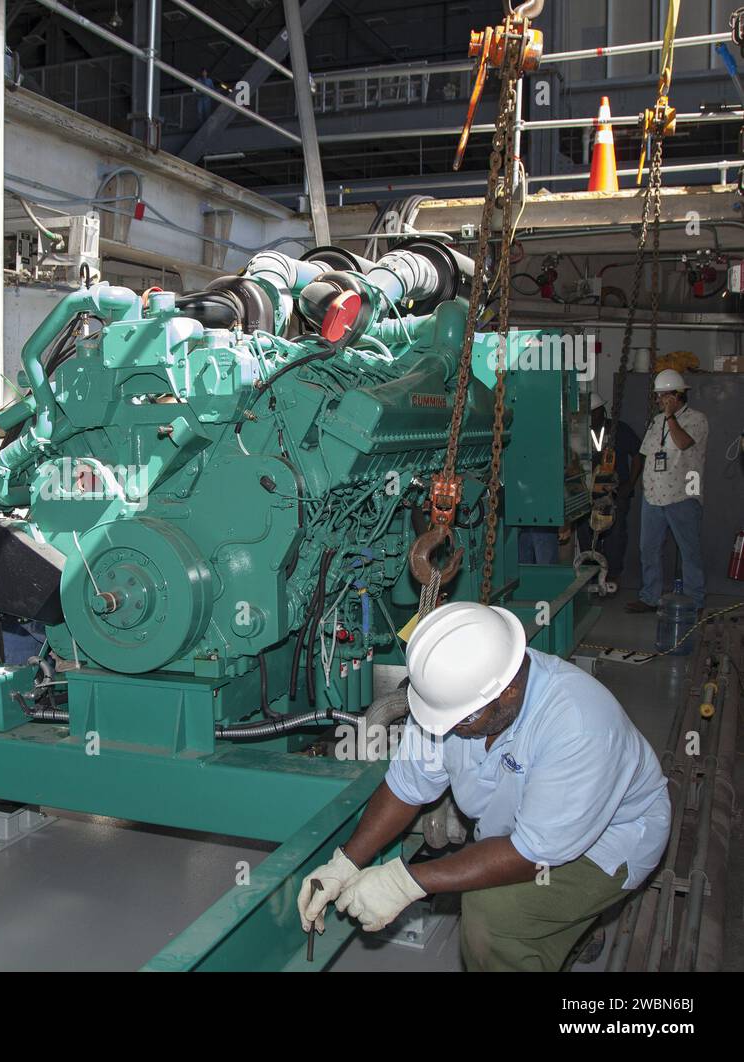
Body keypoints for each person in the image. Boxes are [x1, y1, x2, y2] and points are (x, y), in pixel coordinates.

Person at [297, 601, 670, 971]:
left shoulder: (580, 726)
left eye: (460, 720)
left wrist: (405, 882)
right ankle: (563, 925)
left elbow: (531, 854)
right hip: (522, 830)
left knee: (491, 911)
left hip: (606, 842)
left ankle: (555, 922)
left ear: (506, 691)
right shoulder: (456, 700)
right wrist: (344, 864)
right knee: (489, 871)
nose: (446, 729)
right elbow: (406, 786)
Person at [625, 369, 709, 614]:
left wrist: (671, 417)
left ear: (677, 395)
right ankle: (650, 596)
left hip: (683, 495)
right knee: (648, 549)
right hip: (654, 496)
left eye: (663, 396)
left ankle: (695, 600)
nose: (659, 400)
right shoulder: (657, 421)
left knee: (689, 551)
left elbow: (683, 443)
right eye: (658, 396)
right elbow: (646, 453)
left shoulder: (697, 419)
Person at [577, 391, 641, 592]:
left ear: (602, 411)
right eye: (587, 414)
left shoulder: (619, 429)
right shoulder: (580, 432)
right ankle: (589, 575)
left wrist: (629, 484)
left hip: (614, 493)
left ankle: (613, 575)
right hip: (588, 492)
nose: (591, 417)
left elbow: (639, 454)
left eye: (594, 412)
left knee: (614, 535)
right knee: (586, 534)